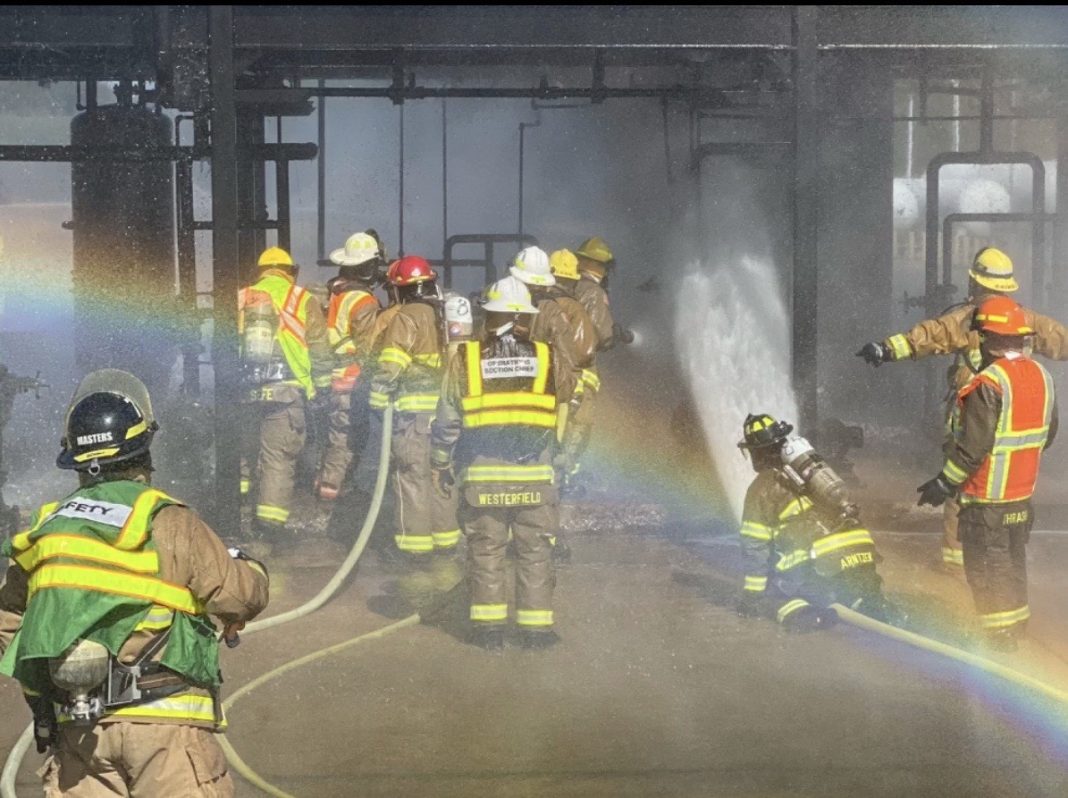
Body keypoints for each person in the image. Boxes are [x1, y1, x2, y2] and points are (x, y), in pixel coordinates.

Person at [0, 369, 269, 795]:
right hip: (165, 728)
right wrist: (252, 569)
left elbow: (9, 626)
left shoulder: (46, 531)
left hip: (80, 734)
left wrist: (48, 694)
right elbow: (237, 598)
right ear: (143, 451)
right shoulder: (167, 518)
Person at [857, 247, 1068, 568]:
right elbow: (1060, 340)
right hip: (1011, 430)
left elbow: (932, 335)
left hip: (974, 424)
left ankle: (957, 573)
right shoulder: (1026, 321)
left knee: (960, 492)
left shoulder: (971, 319)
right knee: (1007, 499)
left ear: (976, 284)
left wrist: (885, 349)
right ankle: (995, 561)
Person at [431, 276, 577, 650]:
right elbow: (568, 402)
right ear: (525, 318)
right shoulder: (549, 356)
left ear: (490, 316)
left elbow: (448, 420)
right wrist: (563, 458)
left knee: (487, 550)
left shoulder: (465, 359)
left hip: (483, 479)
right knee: (535, 551)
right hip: (535, 477)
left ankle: (489, 632)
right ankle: (536, 631)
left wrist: (440, 461)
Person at [916, 296, 1057, 651]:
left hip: (987, 499)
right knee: (1011, 564)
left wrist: (943, 483)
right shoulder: (1042, 376)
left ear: (990, 337)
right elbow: (1048, 434)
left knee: (985, 570)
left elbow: (972, 448)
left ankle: (1000, 642)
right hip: (1021, 496)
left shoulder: (989, 384)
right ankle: (1016, 629)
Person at [736, 413, 896, 632]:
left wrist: (752, 595)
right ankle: (873, 606)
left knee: (772, 596)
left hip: (819, 566)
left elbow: (755, 546)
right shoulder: (815, 472)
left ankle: (807, 615)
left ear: (756, 452)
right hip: (862, 555)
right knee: (861, 598)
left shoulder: (760, 489)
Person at [237, 246, 332, 541]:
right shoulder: (302, 298)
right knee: (278, 457)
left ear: (261, 271)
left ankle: (241, 512)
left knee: (246, 453)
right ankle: (269, 529)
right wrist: (323, 388)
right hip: (286, 391)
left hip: (248, 390)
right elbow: (319, 348)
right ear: (290, 272)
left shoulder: (243, 297)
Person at [369, 256, 460, 557]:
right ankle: (447, 543)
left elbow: (394, 361)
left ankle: (414, 548)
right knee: (441, 474)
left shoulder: (408, 315)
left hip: (414, 415)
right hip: (449, 414)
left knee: (412, 476)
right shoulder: (449, 313)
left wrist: (378, 395)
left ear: (400, 289)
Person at [509, 246, 589, 559]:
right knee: (545, 470)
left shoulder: (501, 305)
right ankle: (545, 539)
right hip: (544, 405)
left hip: (504, 404)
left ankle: (509, 534)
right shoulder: (551, 311)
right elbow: (568, 361)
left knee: (505, 467)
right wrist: (569, 398)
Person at [316, 231, 387, 501]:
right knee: (348, 440)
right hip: (352, 379)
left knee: (336, 437)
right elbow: (369, 345)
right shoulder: (364, 301)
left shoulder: (336, 292)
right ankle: (333, 495)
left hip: (336, 376)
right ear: (368, 268)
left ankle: (328, 487)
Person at [564, 237, 630, 490]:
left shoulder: (566, 288)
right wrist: (614, 335)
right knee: (580, 425)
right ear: (600, 266)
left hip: (561, 371)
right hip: (582, 373)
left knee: (563, 423)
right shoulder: (593, 291)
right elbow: (600, 334)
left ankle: (562, 474)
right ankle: (564, 477)